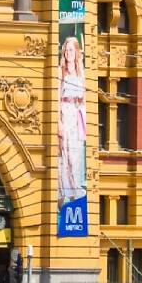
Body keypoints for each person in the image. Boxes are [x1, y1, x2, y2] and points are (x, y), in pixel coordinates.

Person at [56, 36, 87, 205]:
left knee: (75, 156)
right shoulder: (60, 71)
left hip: (77, 115)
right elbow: (56, 98)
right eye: (66, 50)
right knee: (64, 155)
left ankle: (75, 189)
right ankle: (65, 192)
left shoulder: (81, 73)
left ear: (76, 52)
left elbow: (85, 98)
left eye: (71, 50)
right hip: (64, 113)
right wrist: (58, 123)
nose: (68, 53)